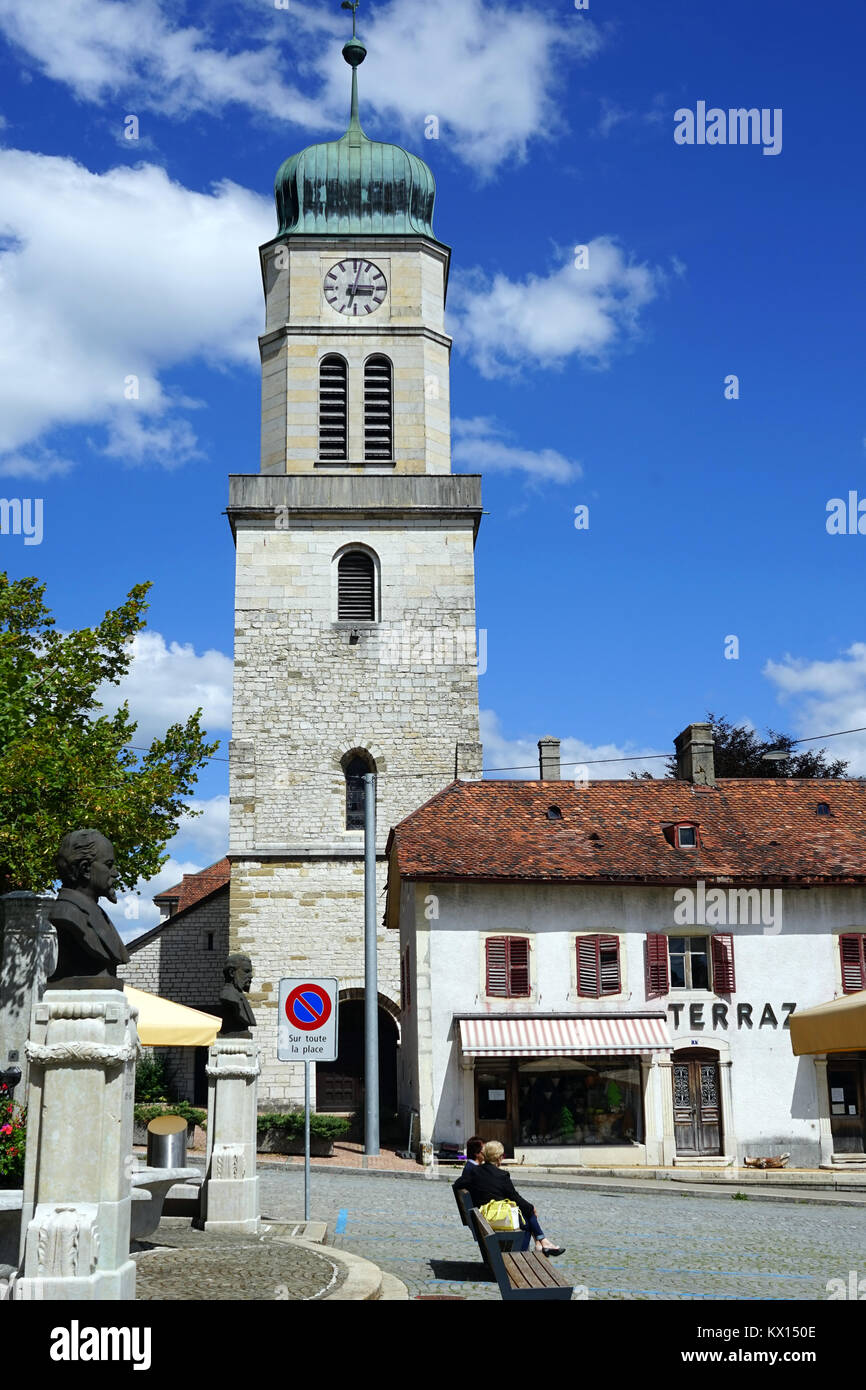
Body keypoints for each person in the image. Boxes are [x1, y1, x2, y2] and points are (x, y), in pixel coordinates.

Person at [464, 1140, 565, 1257]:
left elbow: (458, 1184)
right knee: (526, 1220)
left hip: (482, 1219)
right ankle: (526, 1253)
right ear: (499, 1158)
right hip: (495, 1218)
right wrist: (532, 1208)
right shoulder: (501, 1176)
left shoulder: (474, 1172)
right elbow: (515, 1198)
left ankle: (541, 1243)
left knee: (526, 1213)